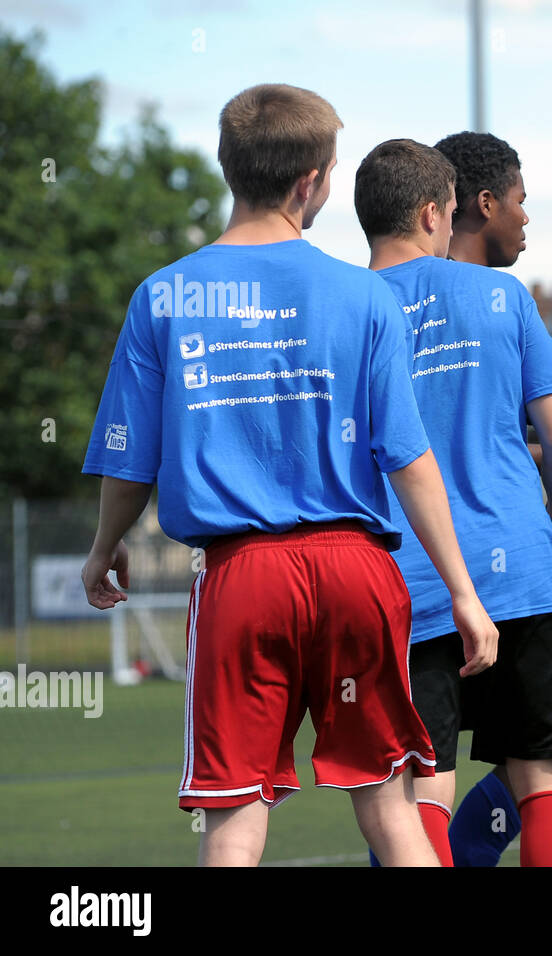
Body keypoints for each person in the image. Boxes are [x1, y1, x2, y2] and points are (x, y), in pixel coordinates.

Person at [79, 85, 496, 867]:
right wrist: (464, 593)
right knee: (391, 807)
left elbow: (130, 458)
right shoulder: (366, 295)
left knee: (233, 819)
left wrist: (105, 546)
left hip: (242, 578)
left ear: (226, 165)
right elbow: (407, 458)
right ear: (312, 181)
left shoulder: (163, 295)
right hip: (356, 573)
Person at [354, 139, 552, 867]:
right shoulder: (504, 297)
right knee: (544, 782)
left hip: (407, 582)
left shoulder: (345, 307)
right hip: (521, 570)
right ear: (437, 211)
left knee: (423, 794)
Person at [434, 131, 528, 268]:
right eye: (520, 202)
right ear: (486, 203)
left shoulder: (407, 282)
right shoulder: (507, 288)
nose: (525, 219)